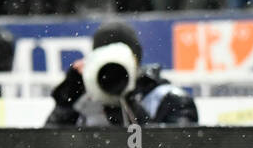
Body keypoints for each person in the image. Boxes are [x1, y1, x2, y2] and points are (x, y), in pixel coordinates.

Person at [45, 21, 197, 128]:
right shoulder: (83, 99)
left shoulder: (168, 99)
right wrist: (66, 102)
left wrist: (130, 107)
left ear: (135, 60)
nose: (112, 72)